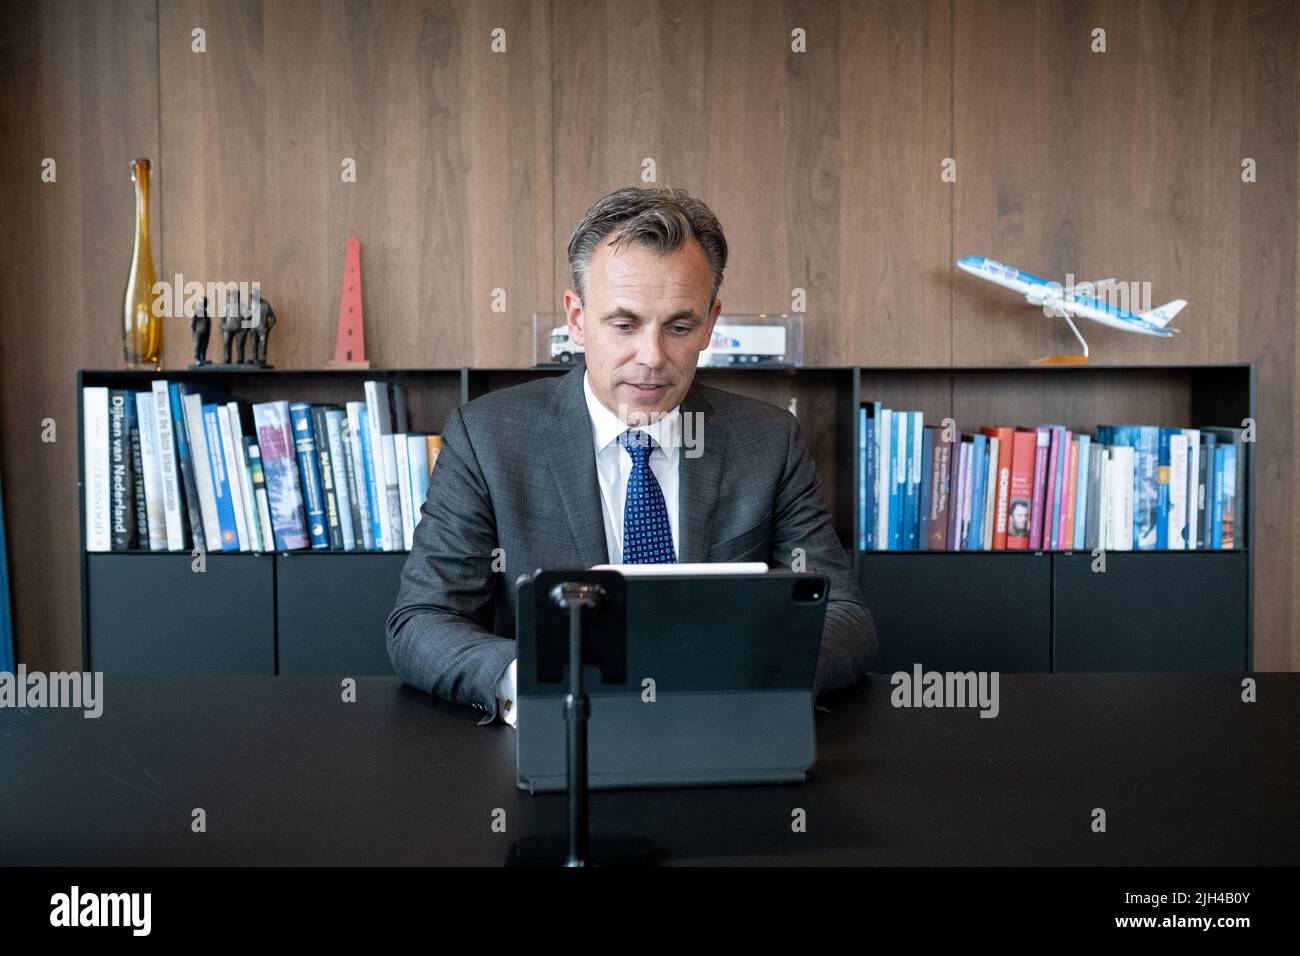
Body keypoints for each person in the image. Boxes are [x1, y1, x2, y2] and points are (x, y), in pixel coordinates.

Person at [386, 186, 876, 725]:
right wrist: (529, 680)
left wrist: (755, 672)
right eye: (624, 324)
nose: (652, 358)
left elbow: (845, 616)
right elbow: (422, 620)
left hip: (721, 732)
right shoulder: (486, 439)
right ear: (576, 319)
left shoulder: (769, 441)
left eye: (679, 326)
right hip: (558, 737)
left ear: (711, 323)